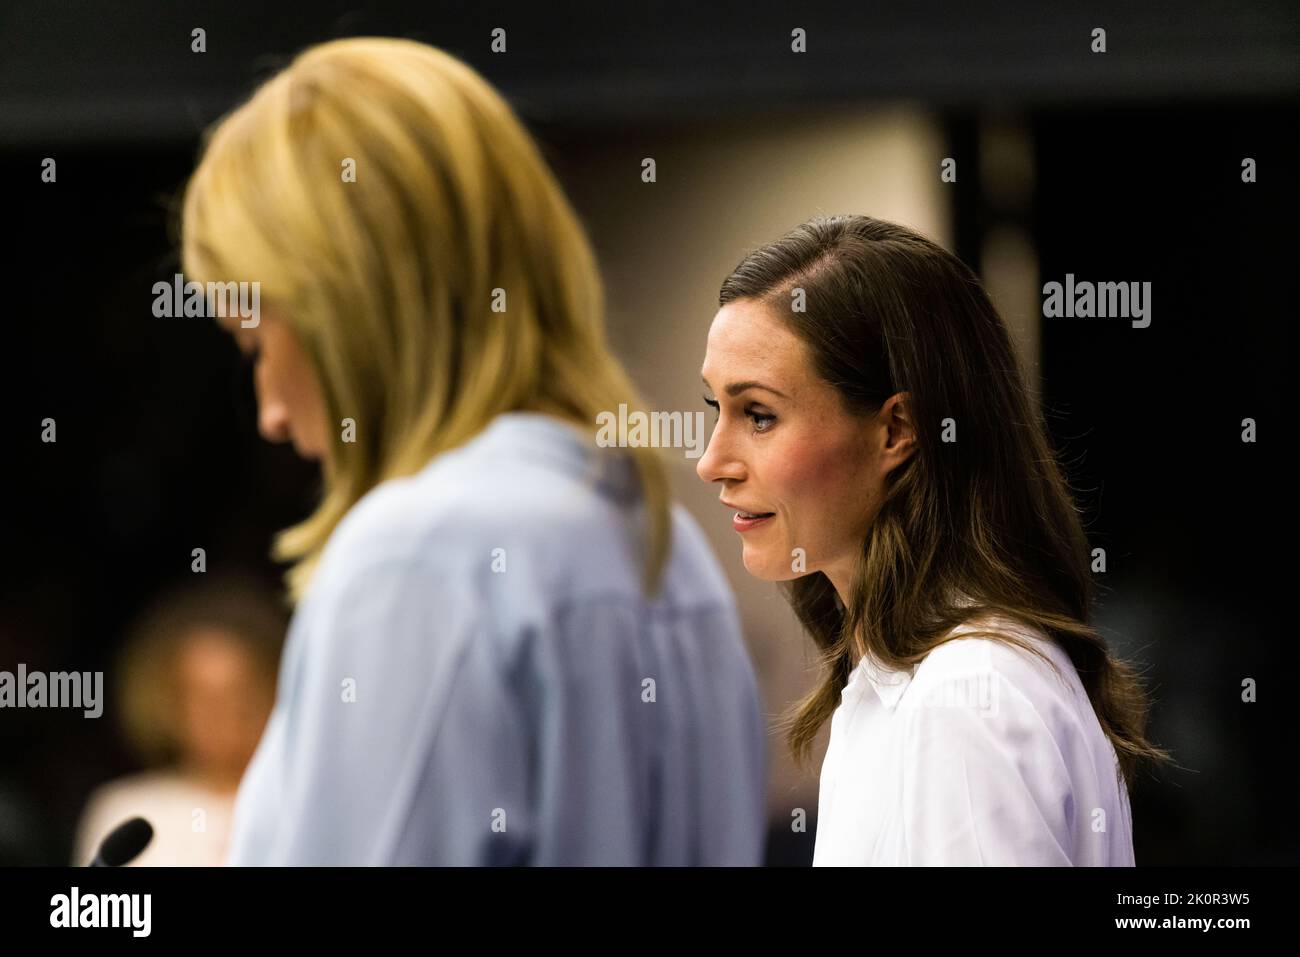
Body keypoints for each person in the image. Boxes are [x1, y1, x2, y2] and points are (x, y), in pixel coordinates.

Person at [179, 37, 766, 865]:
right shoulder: (668, 548)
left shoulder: (416, 558)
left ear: (342, 308)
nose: (271, 413)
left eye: (255, 343)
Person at [696, 214, 1170, 865]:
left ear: (896, 431)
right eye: (713, 409)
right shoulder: (911, 683)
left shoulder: (963, 698)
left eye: (759, 414)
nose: (711, 460)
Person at [73, 577, 282, 866]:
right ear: (168, 703)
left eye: (242, 695)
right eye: (203, 698)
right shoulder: (126, 810)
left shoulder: (297, 805)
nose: (224, 716)